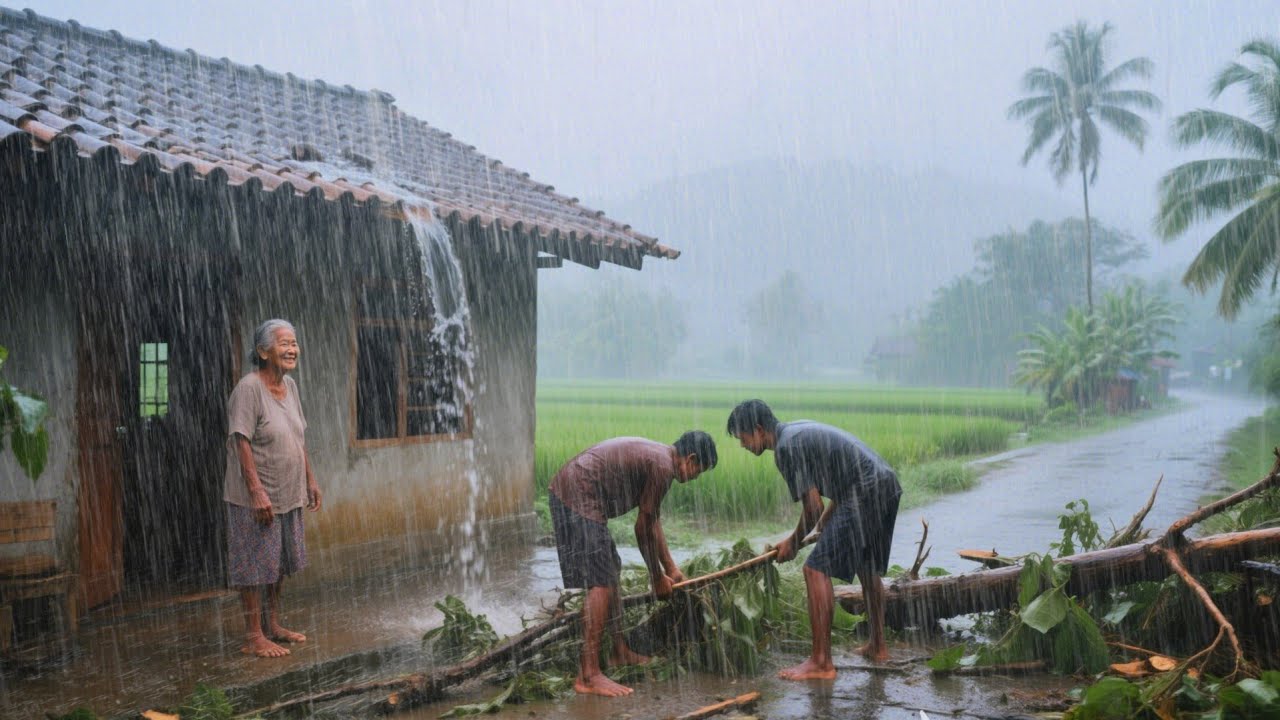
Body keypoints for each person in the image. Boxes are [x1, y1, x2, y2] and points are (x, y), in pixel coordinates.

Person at [727, 399, 901, 680]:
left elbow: (813, 507)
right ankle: (878, 646)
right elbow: (841, 483)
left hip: (865, 492)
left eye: (743, 438)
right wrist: (823, 525)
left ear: (758, 430)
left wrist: (793, 544)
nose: (743, 445)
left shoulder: (786, 449)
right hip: (885, 485)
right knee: (867, 568)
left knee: (814, 569)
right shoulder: (796, 432)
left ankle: (821, 662)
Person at [548, 432, 718, 696]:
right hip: (577, 496)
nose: (696, 478)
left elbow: (652, 521)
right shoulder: (663, 467)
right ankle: (588, 675)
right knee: (602, 582)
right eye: (699, 471)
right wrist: (656, 576)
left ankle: (619, 650)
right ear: (691, 459)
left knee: (610, 571)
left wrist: (671, 568)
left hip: (576, 493)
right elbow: (642, 529)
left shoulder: (662, 460)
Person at [223, 319, 322, 658]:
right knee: (253, 564)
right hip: (257, 495)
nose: (292, 349)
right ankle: (253, 635)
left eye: (294, 342)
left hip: (288, 492)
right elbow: (241, 440)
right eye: (284, 343)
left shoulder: (290, 386)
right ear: (263, 351)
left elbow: (298, 436)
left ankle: (272, 625)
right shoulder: (248, 388)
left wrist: (310, 478)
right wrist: (255, 490)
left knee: (277, 562)